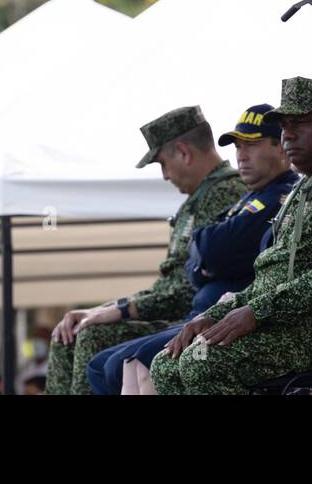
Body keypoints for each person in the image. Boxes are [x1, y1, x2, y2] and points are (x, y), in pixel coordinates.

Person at [149, 78, 312, 394]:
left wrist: (257, 312)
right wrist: (212, 315)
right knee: (166, 363)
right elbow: (270, 278)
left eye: (299, 123)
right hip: (287, 324)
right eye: (284, 125)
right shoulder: (306, 186)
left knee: (203, 360)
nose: (287, 134)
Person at [87, 104, 297, 395]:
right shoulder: (248, 199)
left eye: (252, 145)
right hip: (202, 317)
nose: (241, 155)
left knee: (131, 362)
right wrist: (205, 258)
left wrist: (206, 257)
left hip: (230, 320)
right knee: (102, 363)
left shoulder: (280, 195)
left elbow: (216, 251)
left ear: (281, 147)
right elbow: (199, 256)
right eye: (238, 147)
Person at [45, 105, 246, 394]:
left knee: (91, 335)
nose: (165, 176)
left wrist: (122, 310)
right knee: (69, 333)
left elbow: (187, 289)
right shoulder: (200, 199)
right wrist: (103, 309)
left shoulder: (225, 193)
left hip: (197, 319)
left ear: (184, 152)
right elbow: (169, 284)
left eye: (163, 163)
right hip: (181, 317)